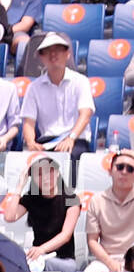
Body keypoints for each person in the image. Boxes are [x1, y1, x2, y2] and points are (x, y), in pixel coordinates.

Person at [20, 32, 94, 174]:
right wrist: (31, 142)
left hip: (75, 139)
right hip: (47, 140)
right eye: (47, 51)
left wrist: (71, 138)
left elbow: (85, 114)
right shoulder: (34, 87)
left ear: (67, 54)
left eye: (58, 50)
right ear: (41, 57)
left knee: (71, 158)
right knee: (34, 163)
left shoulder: (80, 81)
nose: (53, 55)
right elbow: (28, 122)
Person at [5, 154, 80, 272]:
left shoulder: (71, 199)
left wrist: (41, 250)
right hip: (37, 259)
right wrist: (19, 186)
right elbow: (9, 217)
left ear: (57, 173)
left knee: (39, 264)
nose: (45, 177)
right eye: (39, 174)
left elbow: (65, 235)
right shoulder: (32, 198)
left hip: (63, 260)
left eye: (49, 171)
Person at [85, 148, 134, 272]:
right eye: (120, 167)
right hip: (106, 260)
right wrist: (110, 262)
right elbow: (92, 240)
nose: (124, 172)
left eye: (130, 169)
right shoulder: (97, 201)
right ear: (110, 171)